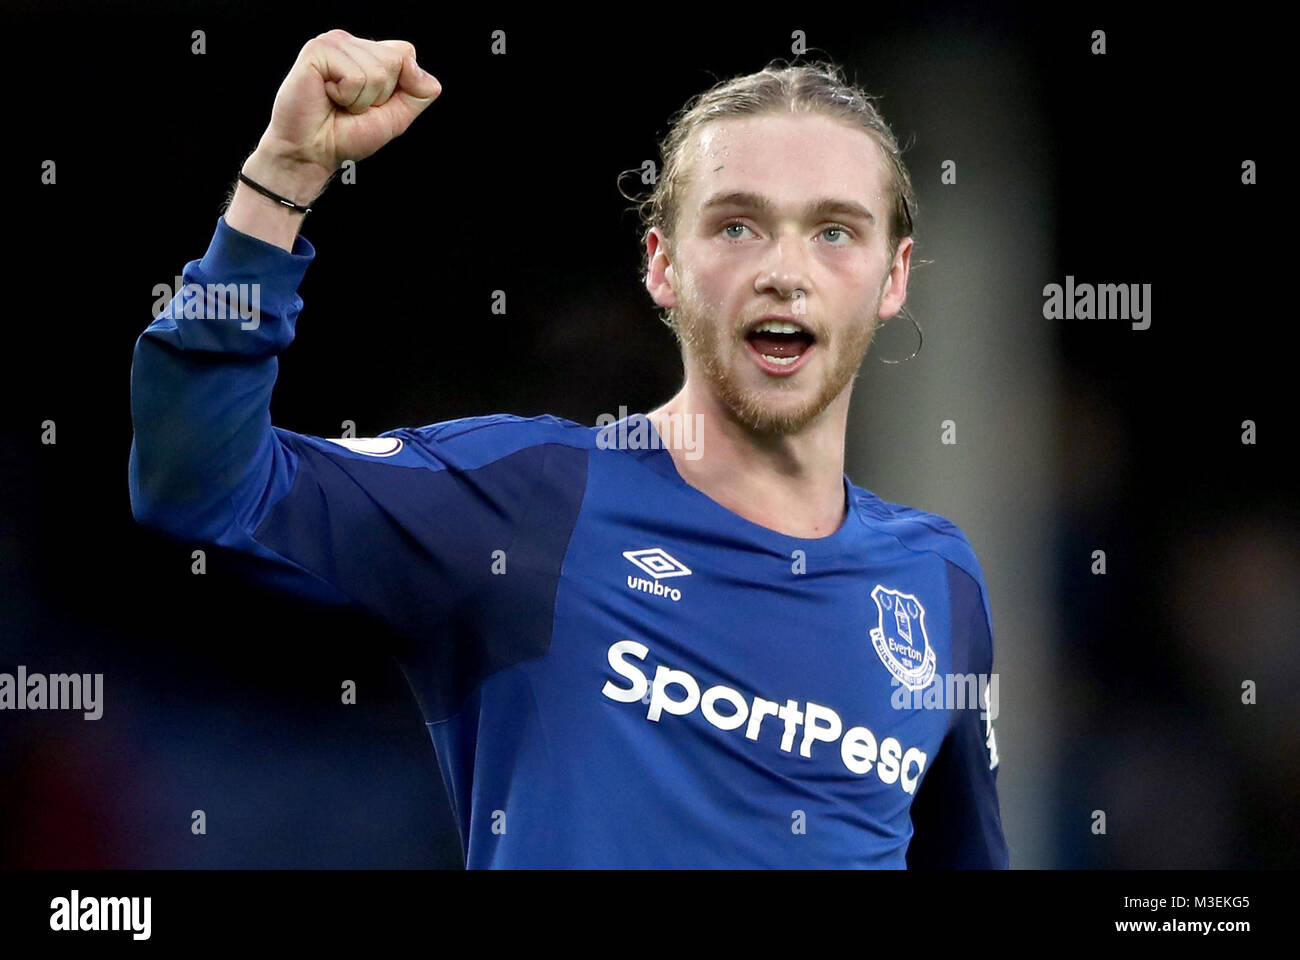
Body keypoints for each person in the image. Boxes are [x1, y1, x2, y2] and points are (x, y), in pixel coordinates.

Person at [129, 28, 1008, 868]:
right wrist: (282, 176)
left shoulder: (938, 587)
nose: (785, 269)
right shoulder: (533, 504)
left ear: (892, 277)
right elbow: (200, 484)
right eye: (737, 226)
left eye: (834, 232)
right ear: (662, 264)